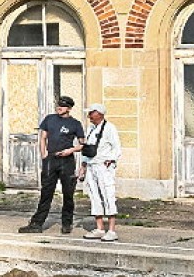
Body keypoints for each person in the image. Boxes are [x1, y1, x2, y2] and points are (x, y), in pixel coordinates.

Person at [18, 96, 87, 234]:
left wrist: (71, 150)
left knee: (68, 194)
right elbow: (43, 137)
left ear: (69, 108)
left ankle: (67, 223)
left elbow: (82, 144)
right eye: (58, 105)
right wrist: (44, 155)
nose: (59, 108)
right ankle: (36, 224)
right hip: (51, 159)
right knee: (46, 192)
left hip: (67, 161)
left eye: (62, 106)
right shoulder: (50, 119)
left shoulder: (75, 124)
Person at [77, 102, 121, 241]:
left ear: (99, 114)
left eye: (91, 113)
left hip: (103, 167)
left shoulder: (110, 128)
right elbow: (87, 147)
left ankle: (112, 230)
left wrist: (111, 159)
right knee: (94, 196)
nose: (89, 116)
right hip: (91, 166)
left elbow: (117, 148)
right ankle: (100, 227)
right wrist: (83, 165)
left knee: (108, 195)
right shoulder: (91, 128)